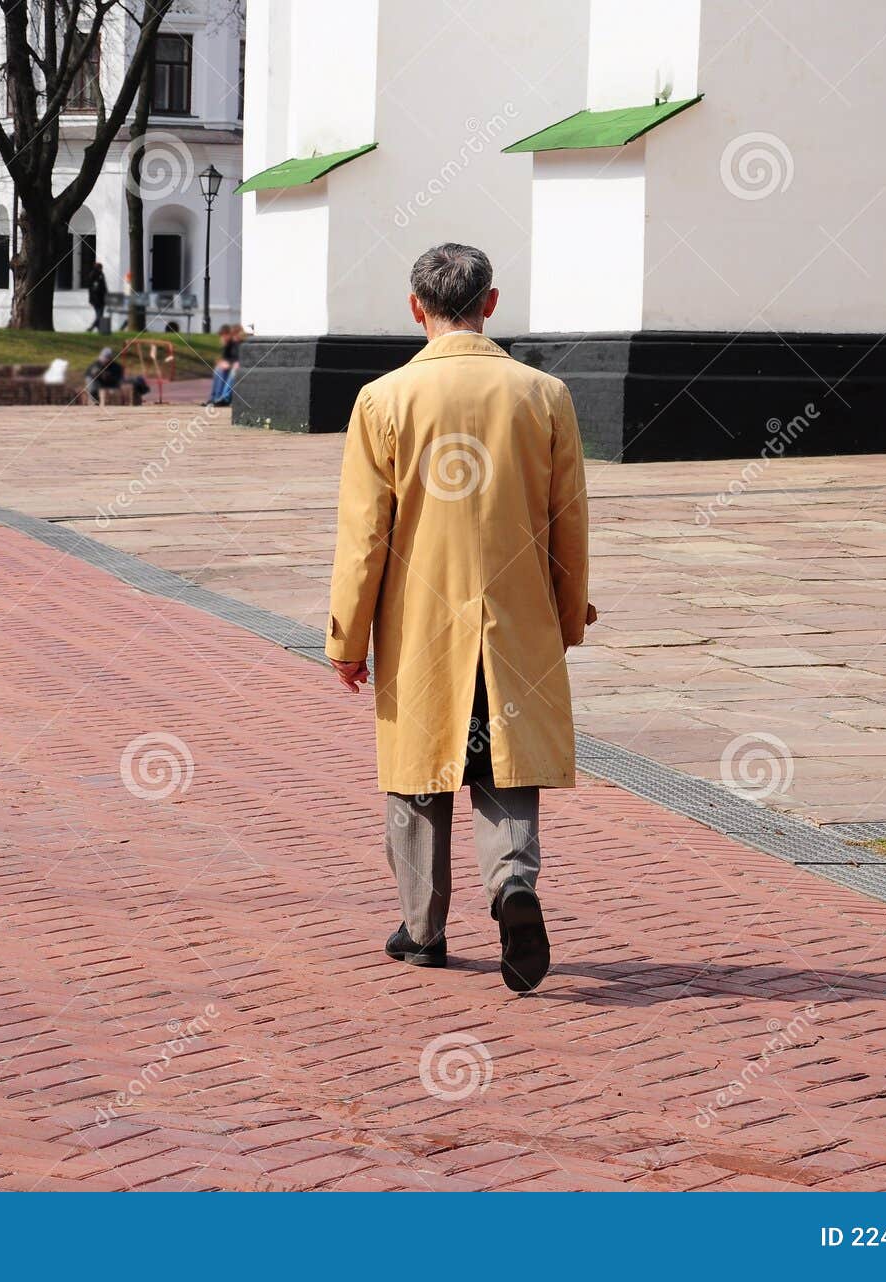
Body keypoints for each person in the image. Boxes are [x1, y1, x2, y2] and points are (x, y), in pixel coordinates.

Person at [325, 243, 597, 994]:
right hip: (516, 617)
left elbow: (362, 541)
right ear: (492, 302)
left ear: (417, 307)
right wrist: (567, 617)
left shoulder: (382, 400)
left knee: (418, 772)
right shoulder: (545, 395)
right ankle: (512, 885)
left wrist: (347, 638)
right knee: (506, 763)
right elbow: (568, 521)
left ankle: (423, 929)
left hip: (421, 621)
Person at [84, 346, 149, 405]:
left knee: (137, 380)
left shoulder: (115, 366)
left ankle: (142, 390)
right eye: (104, 357)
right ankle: (96, 401)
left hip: (114, 383)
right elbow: (89, 375)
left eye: (107, 358)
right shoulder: (95, 365)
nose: (105, 359)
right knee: (91, 383)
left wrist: (110, 377)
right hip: (100, 385)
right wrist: (99, 375)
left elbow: (119, 377)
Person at [206, 325, 244, 406]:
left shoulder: (240, 344)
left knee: (233, 371)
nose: (222, 338)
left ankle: (225, 398)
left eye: (224, 335)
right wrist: (223, 363)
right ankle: (215, 398)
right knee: (218, 369)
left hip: (240, 367)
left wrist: (231, 364)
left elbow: (241, 358)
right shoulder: (229, 344)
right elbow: (227, 358)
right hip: (233, 366)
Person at [86, 263, 109, 334]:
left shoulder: (100, 274)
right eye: (101, 268)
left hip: (99, 298)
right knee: (99, 315)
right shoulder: (95, 275)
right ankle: (91, 327)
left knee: (99, 314)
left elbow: (103, 286)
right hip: (97, 299)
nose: (101, 269)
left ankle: (100, 330)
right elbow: (94, 288)